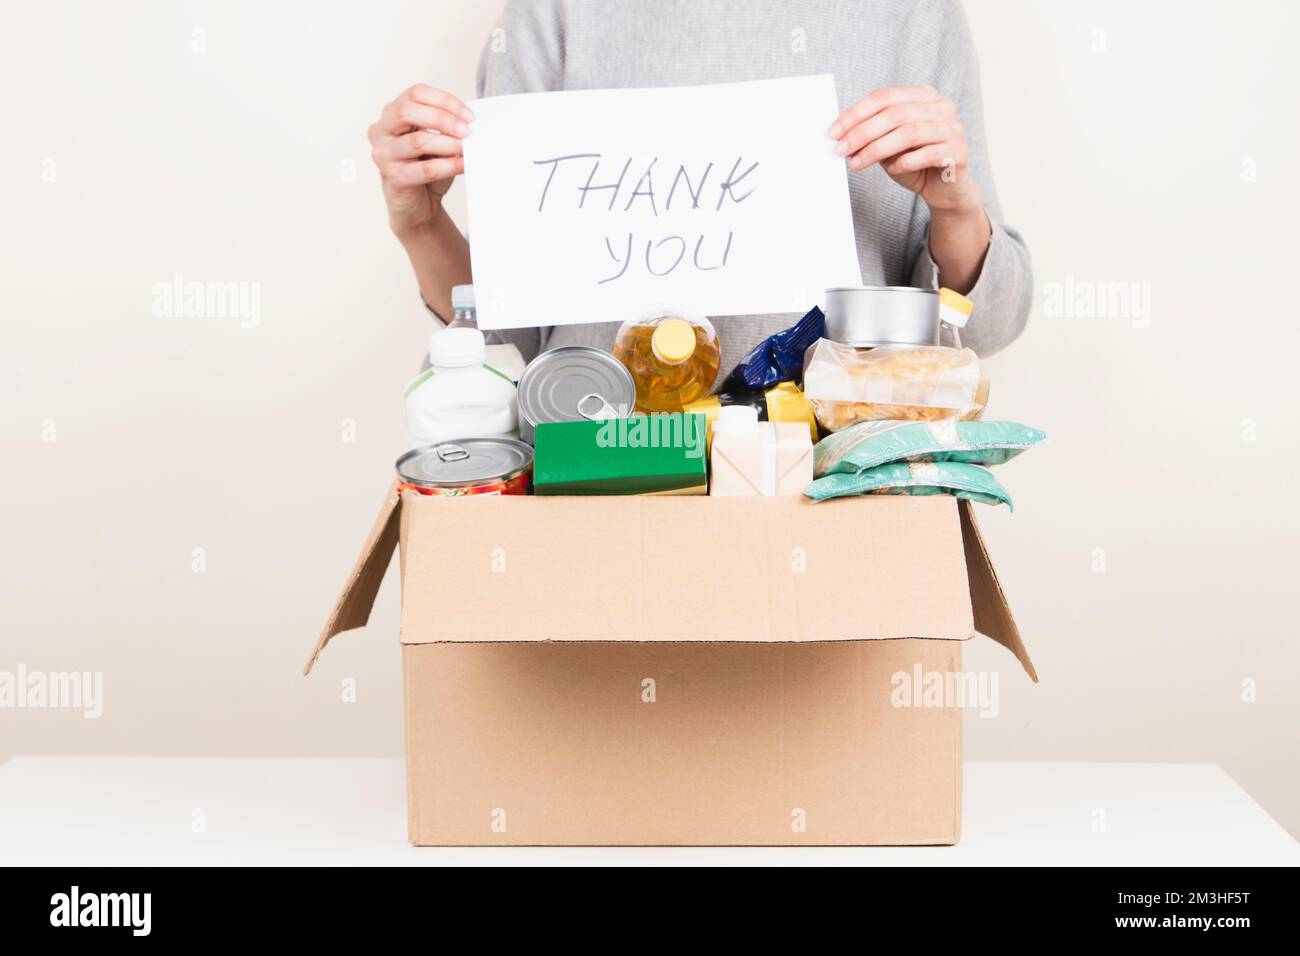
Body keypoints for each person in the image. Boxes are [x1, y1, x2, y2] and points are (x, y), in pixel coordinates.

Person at [367, 0, 1031, 374]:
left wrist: (955, 206)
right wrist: (422, 224)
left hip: (839, 490)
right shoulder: (554, 11)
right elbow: (504, 337)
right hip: (603, 489)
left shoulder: (911, 13)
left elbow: (981, 325)